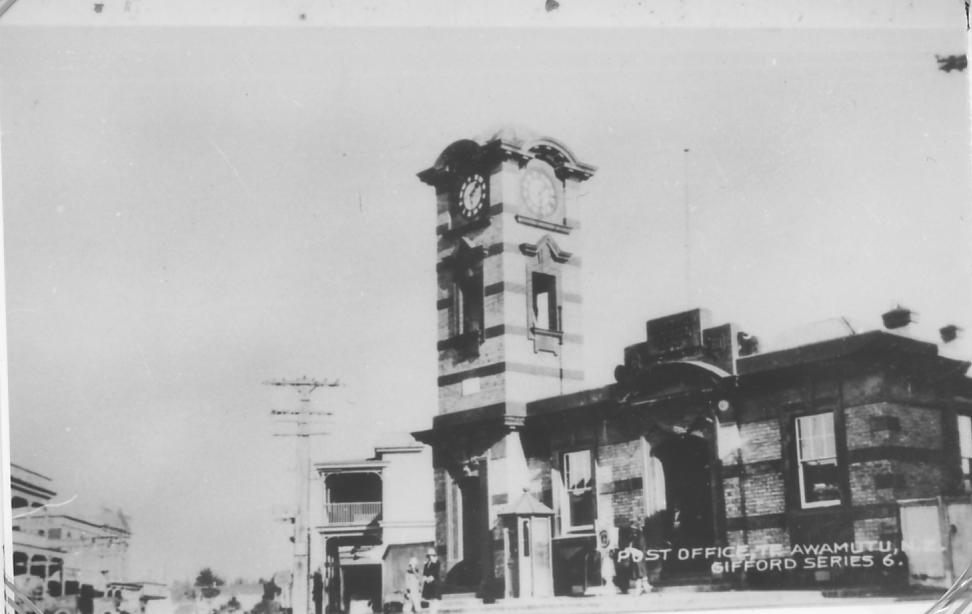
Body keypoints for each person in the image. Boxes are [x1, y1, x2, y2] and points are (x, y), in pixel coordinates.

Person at [628, 517, 651, 595]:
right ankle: (644, 586)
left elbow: (642, 546)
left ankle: (642, 587)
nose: (632, 530)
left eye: (633, 528)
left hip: (639, 555)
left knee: (640, 571)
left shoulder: (639, 536)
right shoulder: (633, 536)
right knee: (638, 571)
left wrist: (639, 553)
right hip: (636, 555)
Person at [422, 548, 441, 614]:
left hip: (434, 583)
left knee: (434, 600)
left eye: (431, 555)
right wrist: (424, 577)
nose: (430, 556)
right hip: (429, 585)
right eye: (429, 555)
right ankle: (432, 612)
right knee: (430, 600)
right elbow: (424, 572)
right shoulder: (427, 563)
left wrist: (429, 578)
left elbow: (435, 572)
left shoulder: (436, 562)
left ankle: (434, 612)